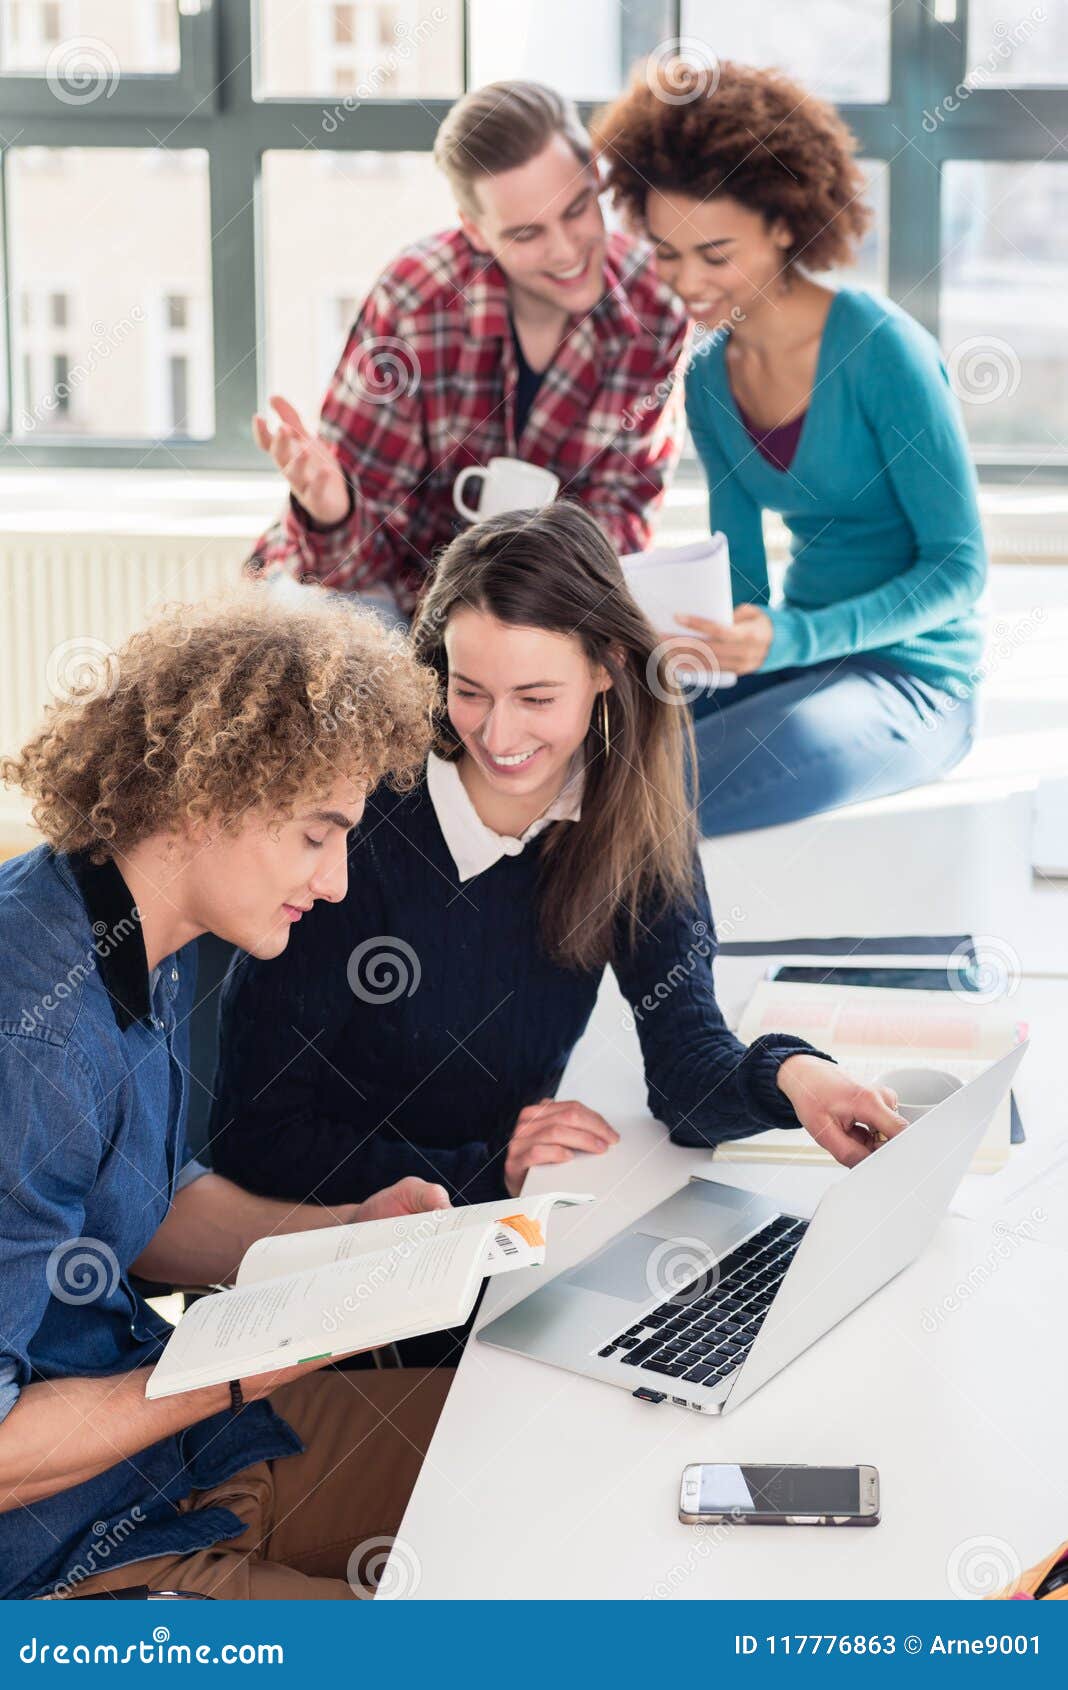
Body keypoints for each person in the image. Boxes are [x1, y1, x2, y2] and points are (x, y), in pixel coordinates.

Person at [211, 504, 906, 1227]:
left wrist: (792, 1078)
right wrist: (486, 1169)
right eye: (469, 691)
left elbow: (685, 1072)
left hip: (500, 1223)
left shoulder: (629, 820)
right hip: (348, 1246)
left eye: (536, 698)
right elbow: (251, 1135)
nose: (497, 733)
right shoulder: (359, 822)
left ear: (607, 668)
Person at [0, 585, 451, 1601]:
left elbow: (139, 1208)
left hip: (188, 1456)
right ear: (207, 797)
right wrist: (245, 1365)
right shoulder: (28, 1036)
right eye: (316, 833)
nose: (336, 881)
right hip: (72, 1561)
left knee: (521, 1453)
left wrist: (344, 1235)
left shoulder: (123, 928)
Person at [591, 58, 986, 836]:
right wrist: (684, 635)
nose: (687, 284)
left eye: (715, 253)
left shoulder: (882, 351)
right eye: (668, 254)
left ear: (781, 224)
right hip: (795, 654)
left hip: (918, 680)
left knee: (662, 793)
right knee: (595, 747)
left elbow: (959, 568)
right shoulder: (709, 377)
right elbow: (738, 579)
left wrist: (791, 638)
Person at [246, 79, 689, 622]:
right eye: (527, 235)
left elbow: (622, 522)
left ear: (595, 179)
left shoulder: (656, 308)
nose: (568, 250)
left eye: (577, 209)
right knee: (353, 650)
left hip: (541, 602)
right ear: (476, 232)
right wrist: (333, 510)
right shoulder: (417, 299)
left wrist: (523, 605)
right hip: (390, 591)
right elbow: (348, 570)